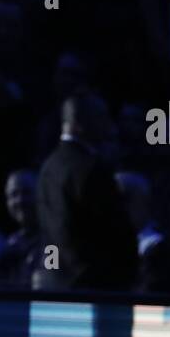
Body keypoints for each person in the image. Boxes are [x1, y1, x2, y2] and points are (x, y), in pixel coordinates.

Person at [35, 92, 138, 291]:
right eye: (101, 117)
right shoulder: (90, 168)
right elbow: (114, 231)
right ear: (80, 122)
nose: (108, 124)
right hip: (95, 286)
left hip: (58, 282)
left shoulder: (48, 167)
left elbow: (50, 232)